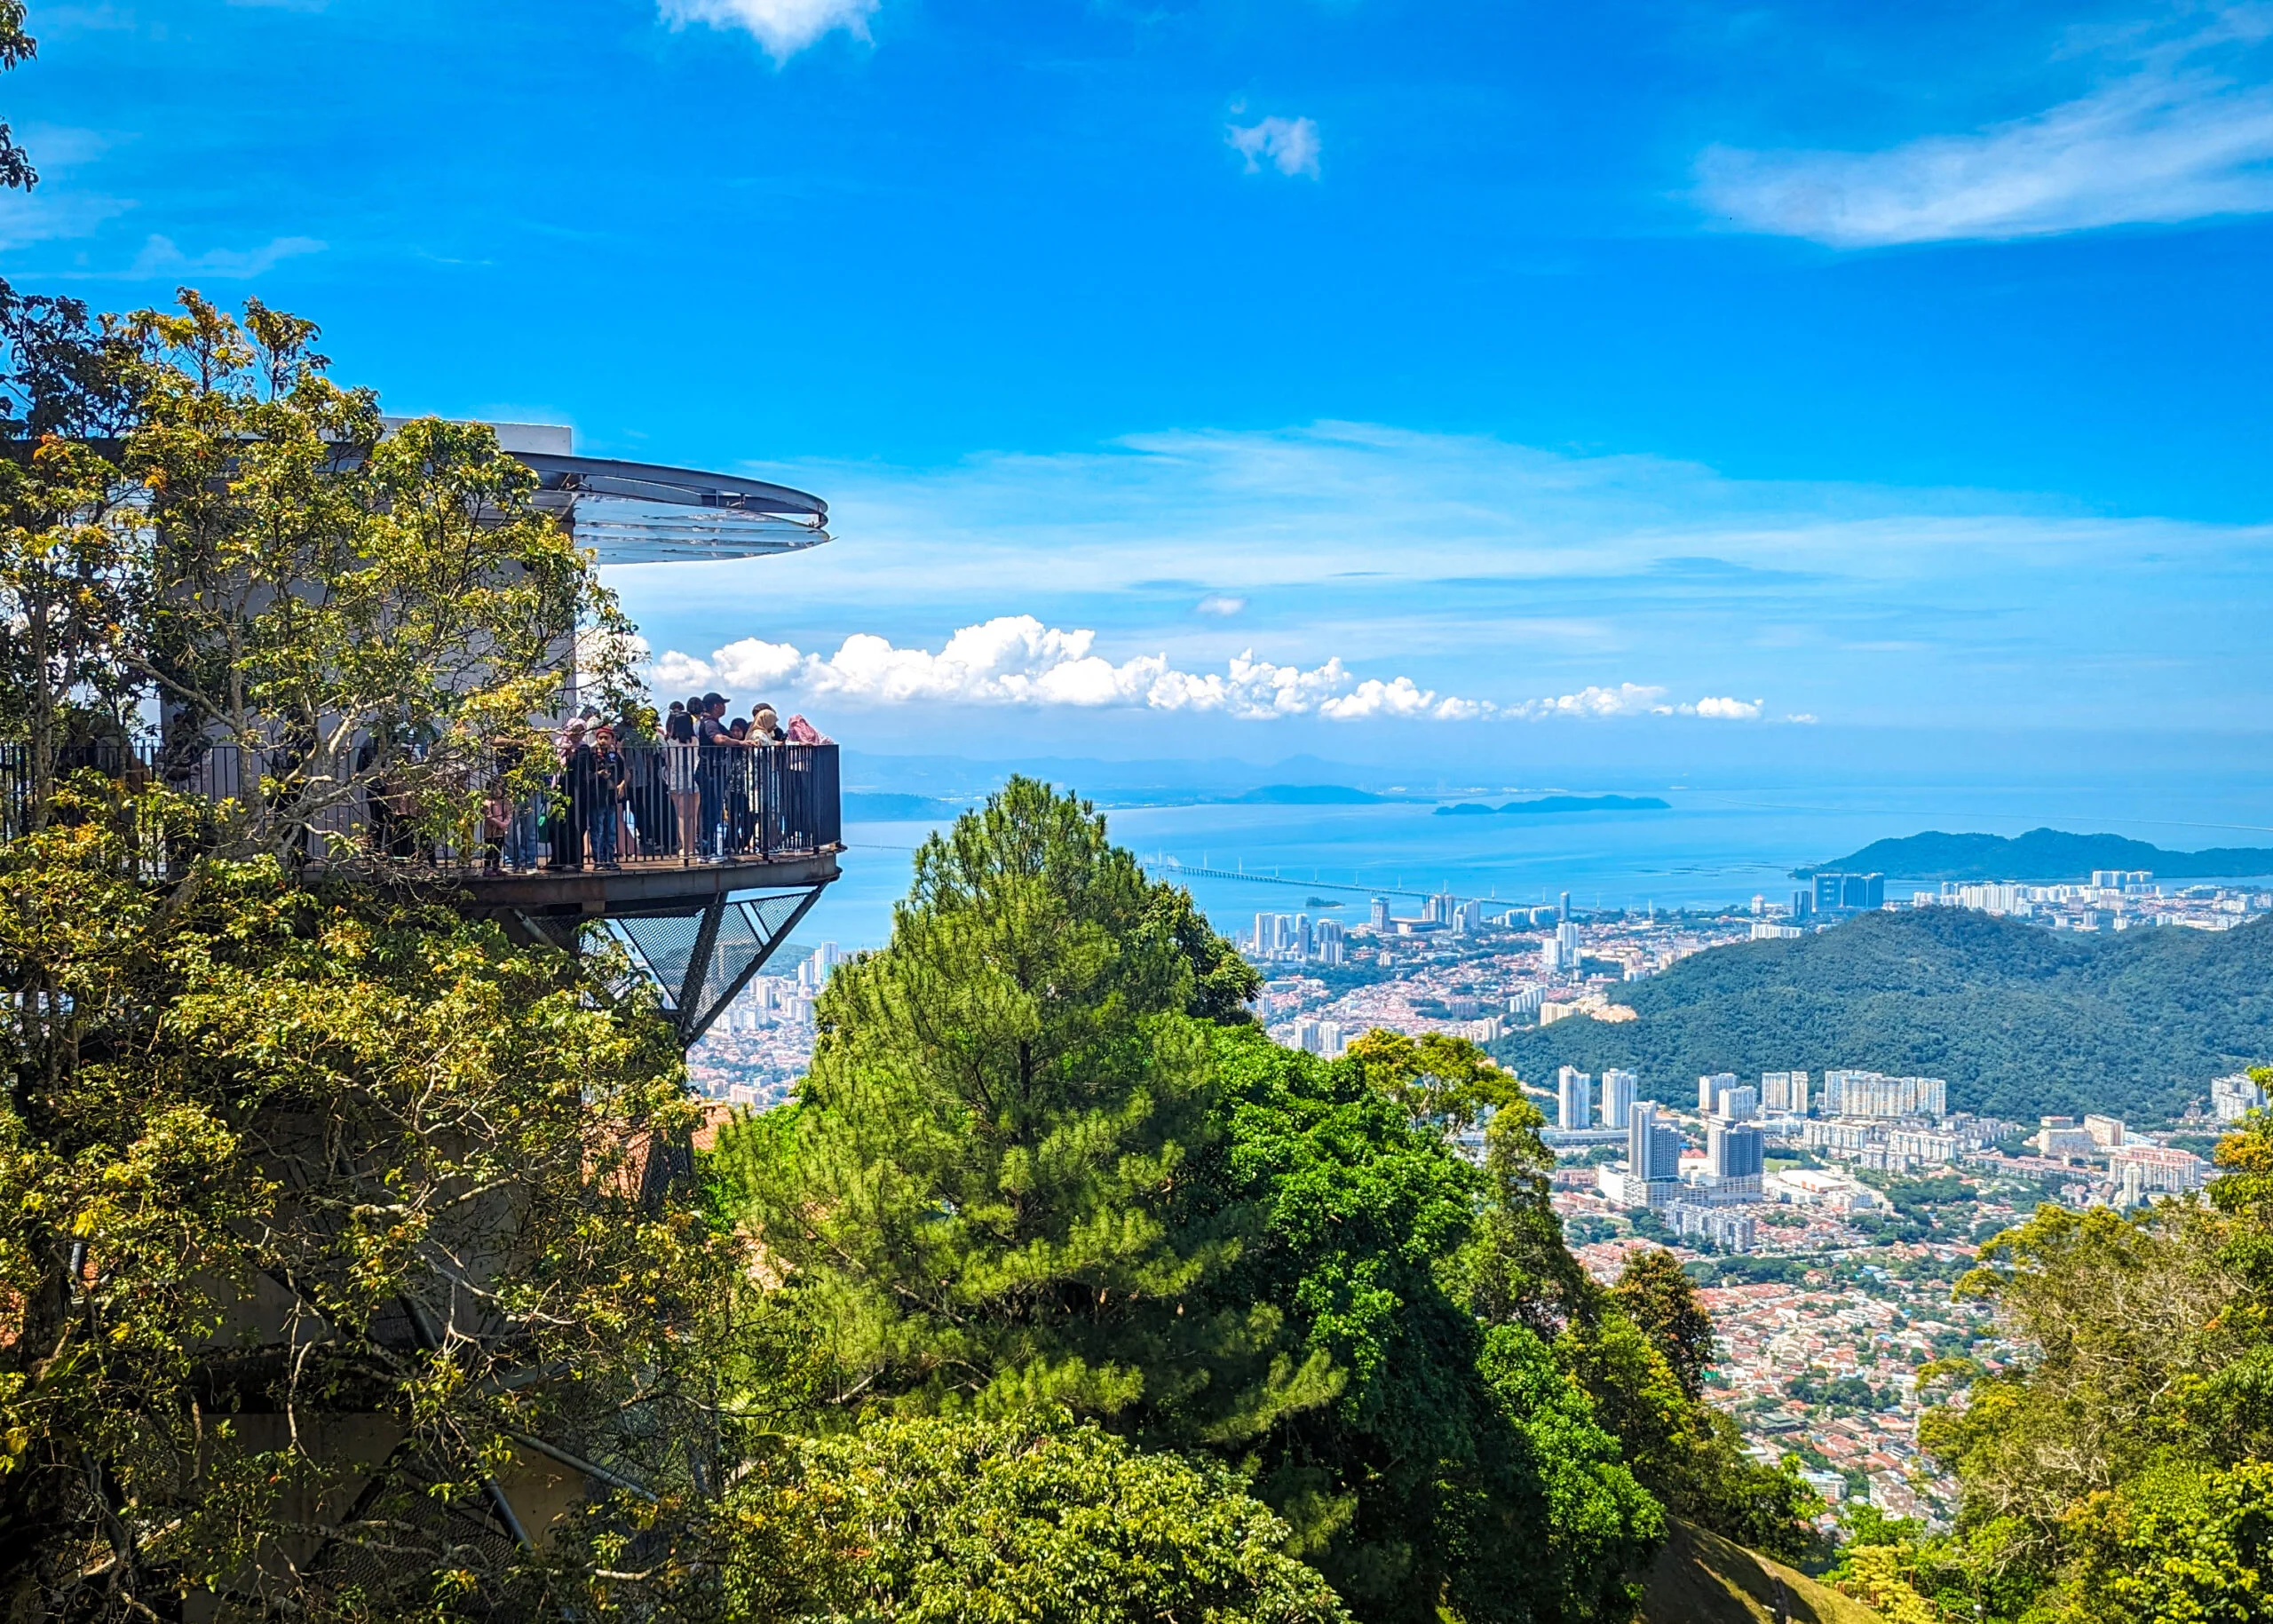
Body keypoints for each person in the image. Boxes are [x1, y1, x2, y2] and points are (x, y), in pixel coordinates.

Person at [550, 719, 591, 872]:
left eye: (581, 731)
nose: (577, 735)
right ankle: (557, 860)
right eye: (574, 730)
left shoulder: (584, 748)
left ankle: (575, 861)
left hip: (577, 791)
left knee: (575, 826)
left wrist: (571, 753)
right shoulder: (559, 745)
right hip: (560, 789)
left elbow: (579, 768)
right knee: (556, 825)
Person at [663, 702, 701, 864]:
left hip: (676, 779)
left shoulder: (671, 742)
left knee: (681, 816)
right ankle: (693, 846)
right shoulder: (695, 741)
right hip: (692, 778)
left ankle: (685, 847)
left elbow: (669, 763)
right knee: (693, 815)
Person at [589, 725, 628, 870]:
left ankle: (609, 858)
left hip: (611, 798)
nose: (603, 741)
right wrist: (599, 774)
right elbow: (586, 776)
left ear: (612, 740)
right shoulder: (592, 757)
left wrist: (622, 784)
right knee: (597, 830)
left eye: (606, 738)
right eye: (600, 738)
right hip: (596, 798)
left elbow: (624, 773)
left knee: (610, 830)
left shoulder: (615, 756)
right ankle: (598, 860)